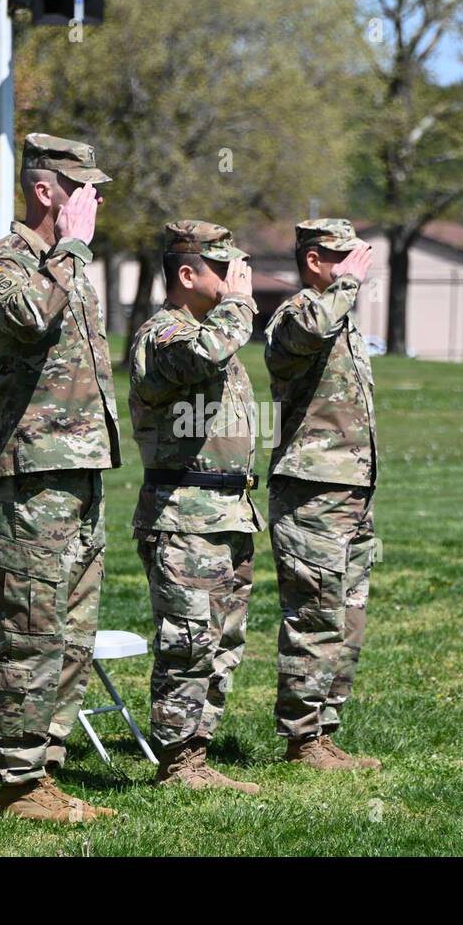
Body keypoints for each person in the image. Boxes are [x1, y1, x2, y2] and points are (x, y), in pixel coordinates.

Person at [0, 133, 121, 823]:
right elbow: (27, 320)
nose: (97, 199)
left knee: (74, 634)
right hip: (27, 479)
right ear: (46, 190)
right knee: (31, 631)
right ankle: (18, 783)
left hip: (78, 472)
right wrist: (73, 251)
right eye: (83, 187)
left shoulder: (67, 269)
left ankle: (46, 772)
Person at [128, 220, 261, 794]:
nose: (236, 281)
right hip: (183, 514)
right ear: (188, 274)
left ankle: (198, 754)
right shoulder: (165, 336)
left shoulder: (209, 332)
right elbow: (206, 354)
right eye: (224, 269)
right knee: (187, 641)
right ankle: (177, 762)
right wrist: (241, 304)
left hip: (227, 512)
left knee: (223, 641)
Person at [264, 218, 382, 771]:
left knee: (348, 615)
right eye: (344, 259)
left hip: (353, 490)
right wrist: (346, 288)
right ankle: (302, 738)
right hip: (311, 492)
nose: (357, 268)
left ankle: (326, 729)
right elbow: (306, 333)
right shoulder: (298, 314)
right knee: (314, 614)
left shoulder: (344, 321)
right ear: (315, 261)